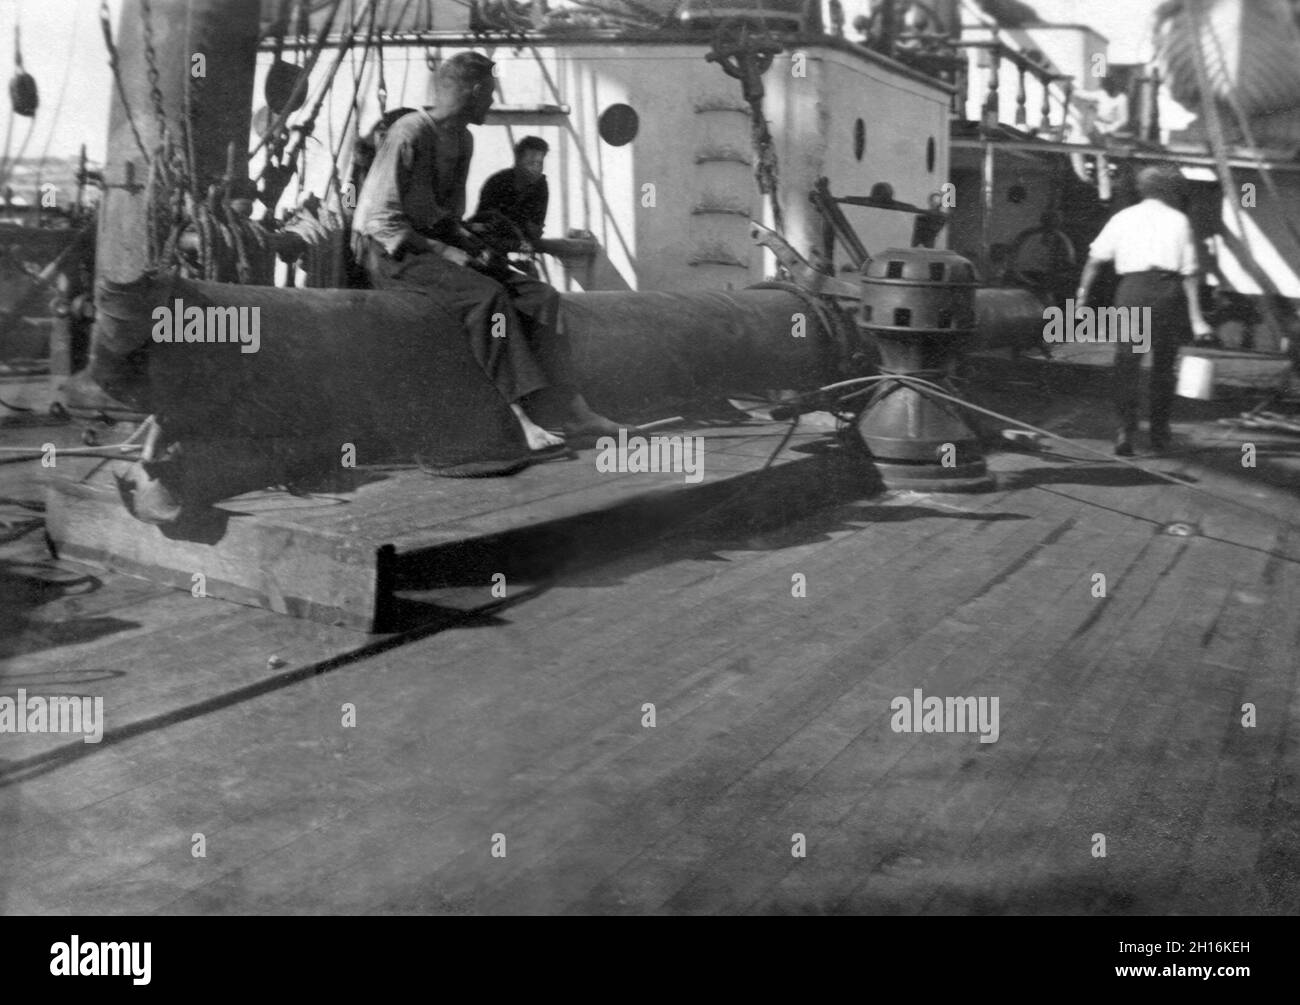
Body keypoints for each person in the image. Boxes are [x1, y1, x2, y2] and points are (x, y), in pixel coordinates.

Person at [349, 52, 620, 454]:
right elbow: (381, 221)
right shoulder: (410, 133)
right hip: (389, 253)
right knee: (484, 297)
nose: (492, 102)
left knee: (540, 296)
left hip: (430, 247)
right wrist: (448, 252)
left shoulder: (462, 139)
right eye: (490, 94)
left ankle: (573, 410)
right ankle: (520, 419)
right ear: (474, 91)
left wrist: (471, 245)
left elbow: (446, 215)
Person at [1075, 164, 1212, 455]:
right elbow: (1189, 274)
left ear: (1142, 189)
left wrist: (1081, 298)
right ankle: (1159, 433)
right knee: (1163, 366)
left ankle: (1125, 429)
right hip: (1167, 293)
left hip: (1132, 291)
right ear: (1170, 190)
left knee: (1127, 363)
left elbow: (1095, 260)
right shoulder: (1179, 220)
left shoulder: (1123, 218)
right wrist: (1197, 318)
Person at [469, 135, 550, 256]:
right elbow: (482, 221)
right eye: (531, 163)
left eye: (539, 163)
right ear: (517, 159)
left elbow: (535, 229)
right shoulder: (497, 182)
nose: (536, 168)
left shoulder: (540, 187)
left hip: (519, 244)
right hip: (489, 243)